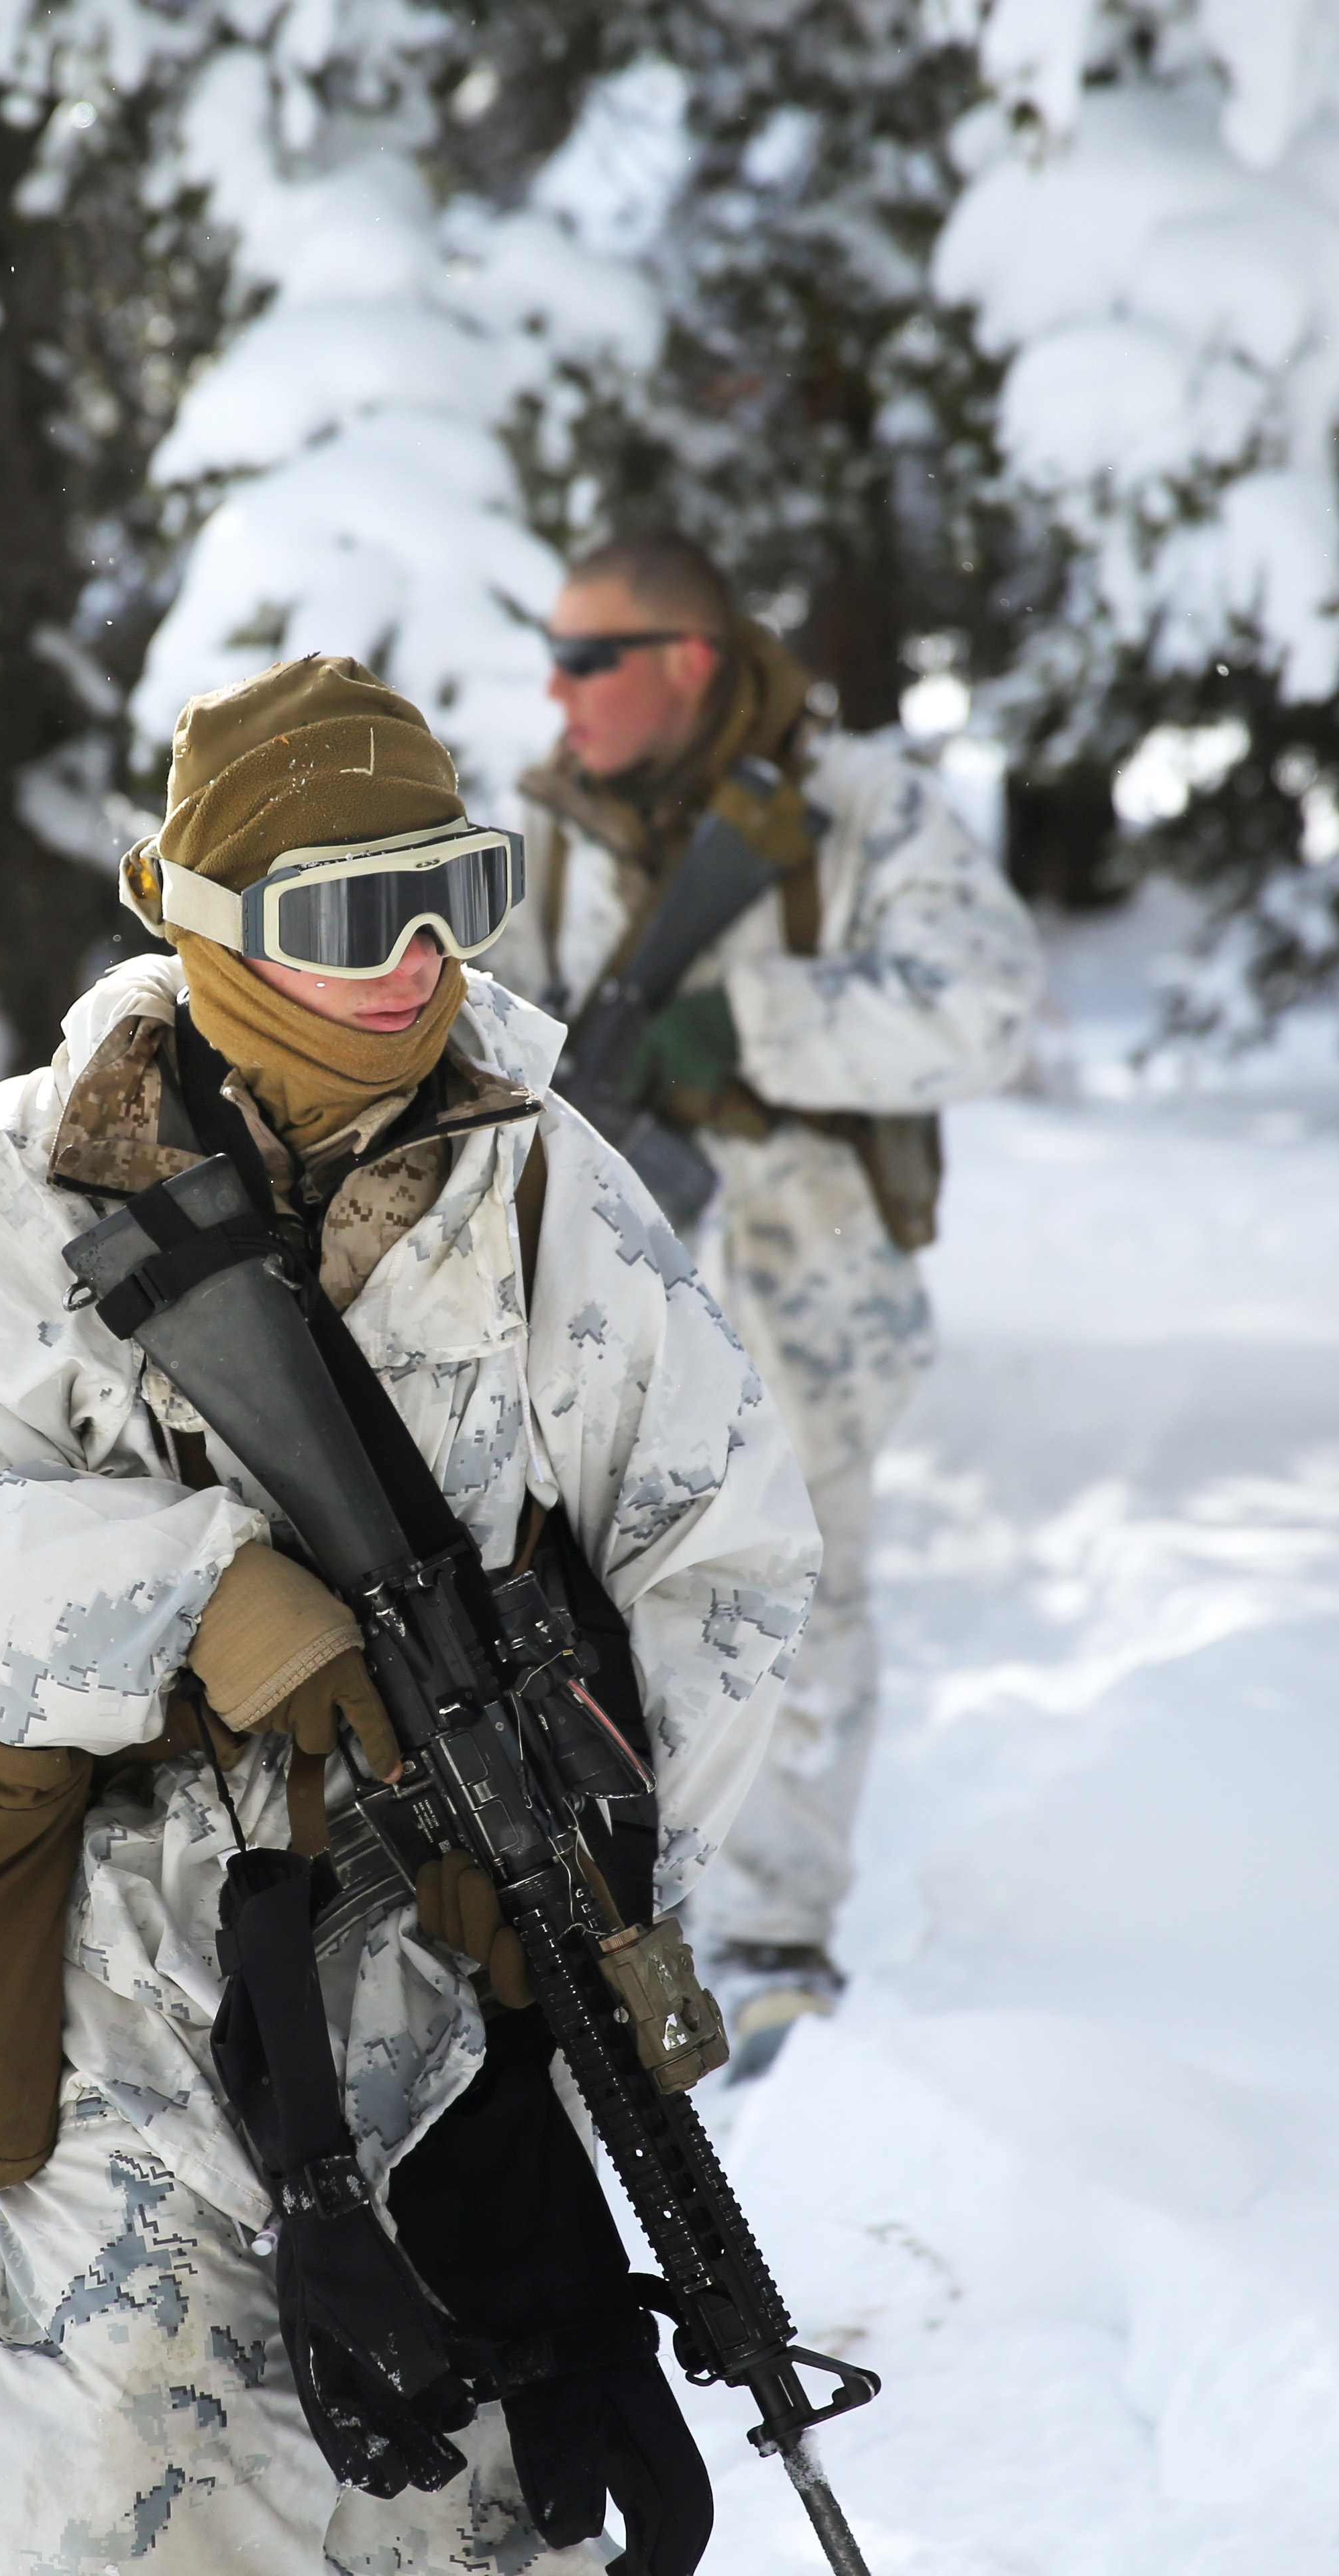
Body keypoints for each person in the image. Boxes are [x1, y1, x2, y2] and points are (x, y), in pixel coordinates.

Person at [0, 655, 821, 2574]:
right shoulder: (34, 1179)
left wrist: (610, 1867)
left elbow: (723, 1551)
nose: (418, 959)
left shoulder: (534, 1183)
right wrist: (199, 1602)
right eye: (353, 913)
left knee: (479, 2499)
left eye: (462, 892)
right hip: (143, 1997)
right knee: (126, 2493)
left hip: (465, 1987)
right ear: (203, 922)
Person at [490, 532, 1040, 2074]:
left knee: (791, 1598)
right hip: (605, 1287)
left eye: (591, 657)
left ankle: (777, 1940)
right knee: (577, 1600)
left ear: (689, 660)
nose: (559, 688)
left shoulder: (856, 809)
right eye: (551, 651)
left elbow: (985, 1008)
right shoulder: (543, 828)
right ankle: (606, 1920)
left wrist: (751, 1024)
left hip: (804, 1278)